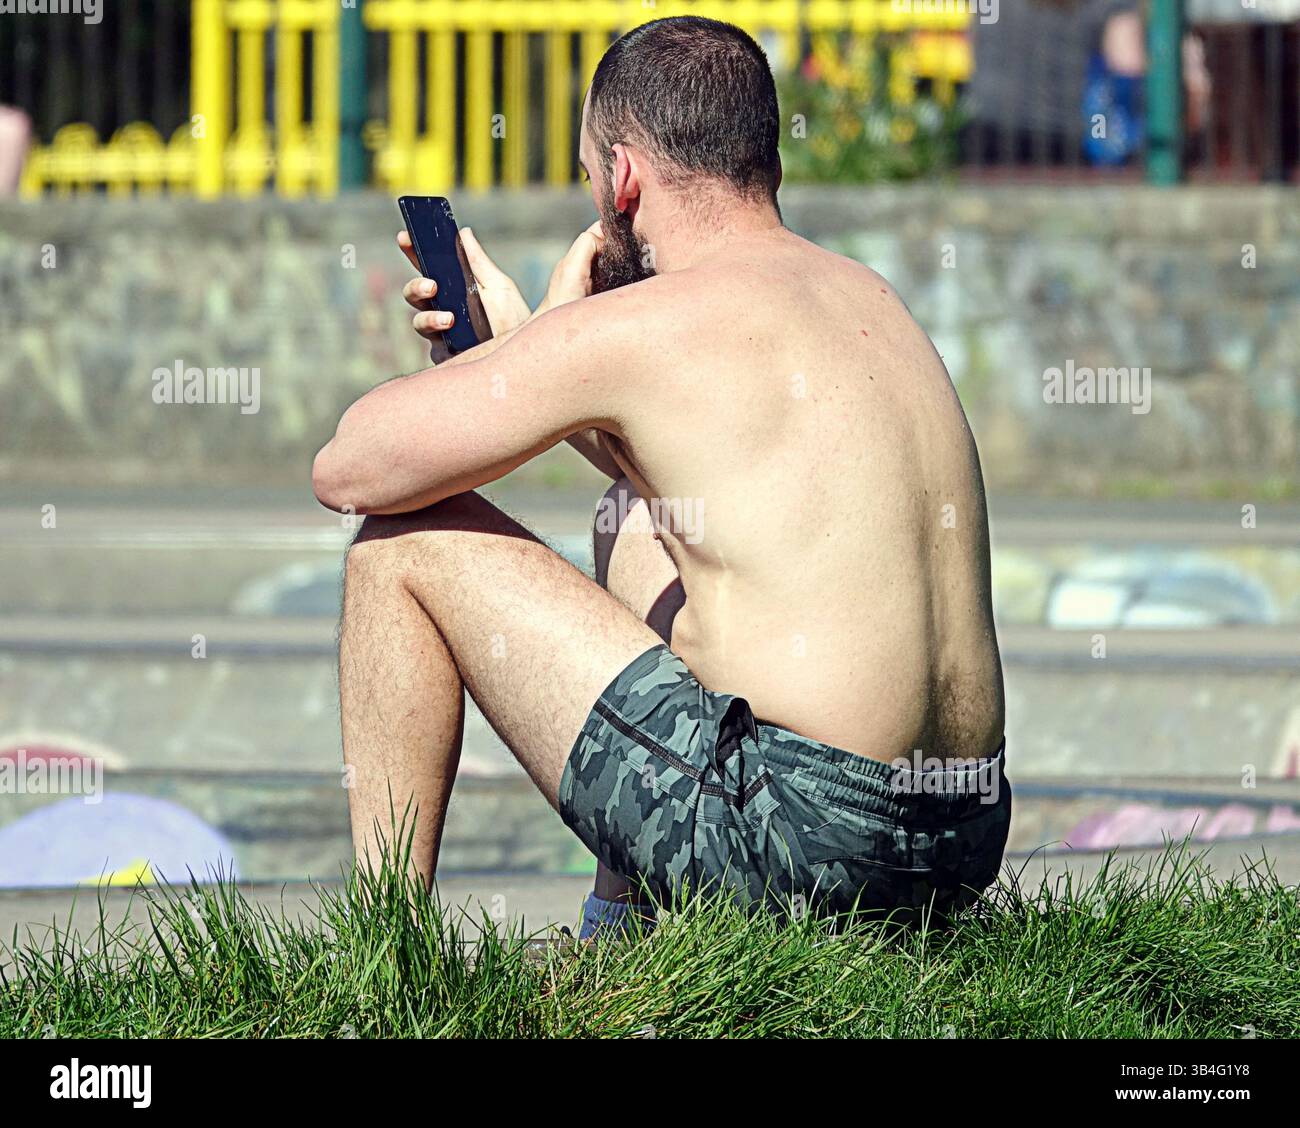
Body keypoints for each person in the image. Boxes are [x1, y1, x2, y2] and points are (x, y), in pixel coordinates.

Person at [313, 16, 1010, 934]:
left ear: (624, 177)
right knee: (638, 517)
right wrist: (531, 356)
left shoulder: (649, 323)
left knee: (399, 548)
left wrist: (524, 357)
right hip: (957, 842)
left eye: (589, 175)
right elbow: (710, 470)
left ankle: (384, 957)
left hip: (804, 843)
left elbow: (350, 469)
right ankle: (625, 931)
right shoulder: (869, 298)